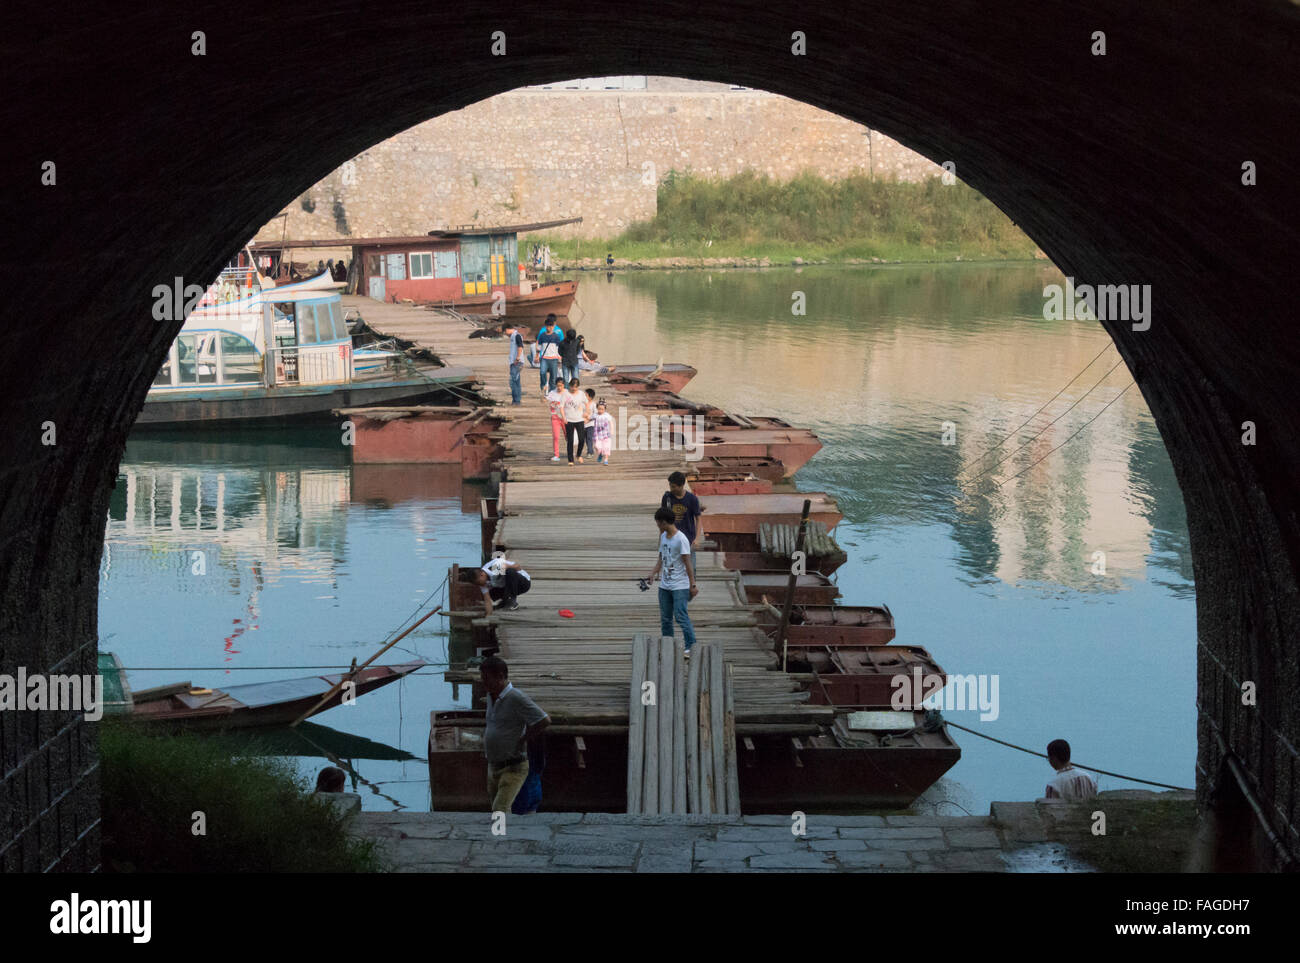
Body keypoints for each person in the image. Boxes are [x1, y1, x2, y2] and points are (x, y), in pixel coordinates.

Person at [480, 656, 550, 815]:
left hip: (513, 765)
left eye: (486, 679)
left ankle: (500, 838)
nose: (483, 682)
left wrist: (524, 738)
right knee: (496, 807)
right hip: (494, 764)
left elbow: (544, 720)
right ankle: (504, 836)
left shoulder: (516, 697)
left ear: (500, 677)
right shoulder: (492, 696)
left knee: (500, 809)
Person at [647, 507, 698, 656]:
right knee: (665, 618)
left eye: (658, 523)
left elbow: (688, 563)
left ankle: (691, 646)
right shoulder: (663, 536)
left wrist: (692, 584)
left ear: (663, 522)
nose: (657, 526)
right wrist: (652, 573)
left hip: (679, 585)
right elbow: (661, 559)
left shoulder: (681, 539)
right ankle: (668, 646)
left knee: (681, 616)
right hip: (665, 585)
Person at [660, 471, 704, 545]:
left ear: (682, 485)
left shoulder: (692, 499)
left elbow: (698, 519)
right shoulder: (667, 498)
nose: (671, 489)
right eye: (670, 486)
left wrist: (697, 539)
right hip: (671, 539)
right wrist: (661, 540)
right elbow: (662, 520)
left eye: (673, 486)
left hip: (688, 539)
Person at [561, 378, 588, 465]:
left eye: (575, 387)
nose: (573, 389)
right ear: (569, 386)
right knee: (570, 440)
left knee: (581, 439)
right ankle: (570, 460)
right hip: (569, 420)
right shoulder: (565, 394)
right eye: (572, 387)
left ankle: (578, 454)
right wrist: (564, 417)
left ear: (578, 387)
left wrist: (586, 413)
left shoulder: (581, 394)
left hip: (579, 419)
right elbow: (561, 407)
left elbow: (587, 403)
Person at [536, 314, 564, 394]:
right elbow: (539, 346)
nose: (550, 328)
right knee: (542, 373)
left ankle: (551, 393)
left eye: (551, 326)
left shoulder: (556, 336)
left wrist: (560, 357)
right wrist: (537, 356)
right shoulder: (542, 335)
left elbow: (559, 347)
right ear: (545, 326)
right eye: (548, 326)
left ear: (553, 326)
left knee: (553, 377)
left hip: (554, 359)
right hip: (544, 358)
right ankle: (543, 387)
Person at [505, 323, 525, 405]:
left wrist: (517, 357)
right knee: (516, 382)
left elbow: (520, 347)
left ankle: (516, 401)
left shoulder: (517, 335)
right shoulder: (513, 336)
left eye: (505, 331)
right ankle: (516, 401)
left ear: (508, 329)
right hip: (514, 362)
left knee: (512, 381)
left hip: (517, 362)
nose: (505, 333)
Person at [545, 382, 565, 462]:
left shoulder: (567, 393)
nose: (559, 387)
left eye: (561, 385)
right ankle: (556, 455)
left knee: (568, 436)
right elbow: (543, 400)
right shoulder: (552, 393)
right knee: (556, 437)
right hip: (555, 418)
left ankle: (571, 452)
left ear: (564, 385)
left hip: (565, 418)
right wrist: (543, 392)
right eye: (558, 386)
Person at [592, 399, 614, 465]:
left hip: (606, 434)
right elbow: (589, 419)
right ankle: (600, 453)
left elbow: (611, 422)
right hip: (597, 435)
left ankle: (606, 460)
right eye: (599, 409)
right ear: (597, 408)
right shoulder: (595, 415)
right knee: (596, 446)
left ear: (605, 409)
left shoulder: (607, 415)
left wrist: (612, 430)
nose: (600, 411)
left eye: (602, 409)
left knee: (606, 447)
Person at [582, 388, 597, 459]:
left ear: (590, 397)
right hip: (582, 424)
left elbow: (596, 414)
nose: (584, 396)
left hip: (590, 425)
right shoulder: (582, 404)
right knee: (583, 439)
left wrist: (589, 418)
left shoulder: (593, 405)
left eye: (585, 395)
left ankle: (590, 452)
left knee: (589, 438)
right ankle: (582, 452)